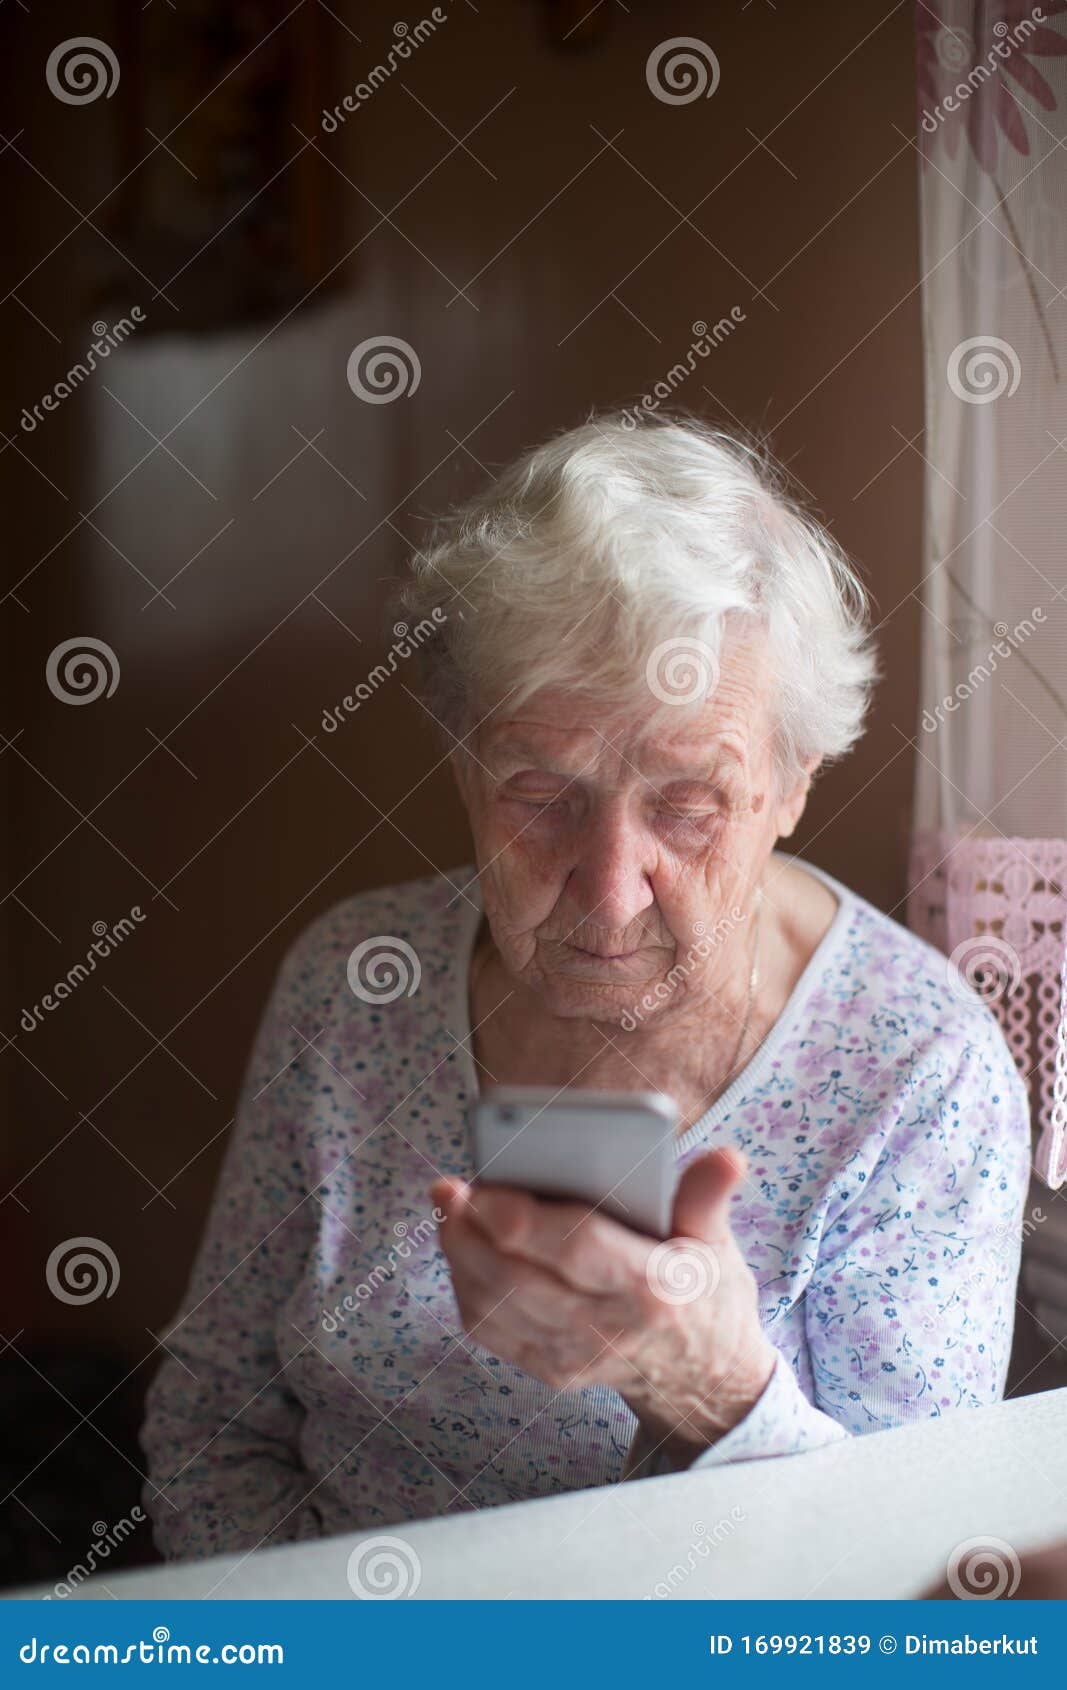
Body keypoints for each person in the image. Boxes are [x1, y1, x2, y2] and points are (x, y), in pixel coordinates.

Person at [141, 414, 1031, 1560]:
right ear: (461, 760)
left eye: (686, 804)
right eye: (539, 792)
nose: (608, 894)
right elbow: (215, 1421)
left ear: (791, 782)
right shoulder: (351, 985)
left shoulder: (917, 1069)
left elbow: (922, 1581)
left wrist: (712, 1388)